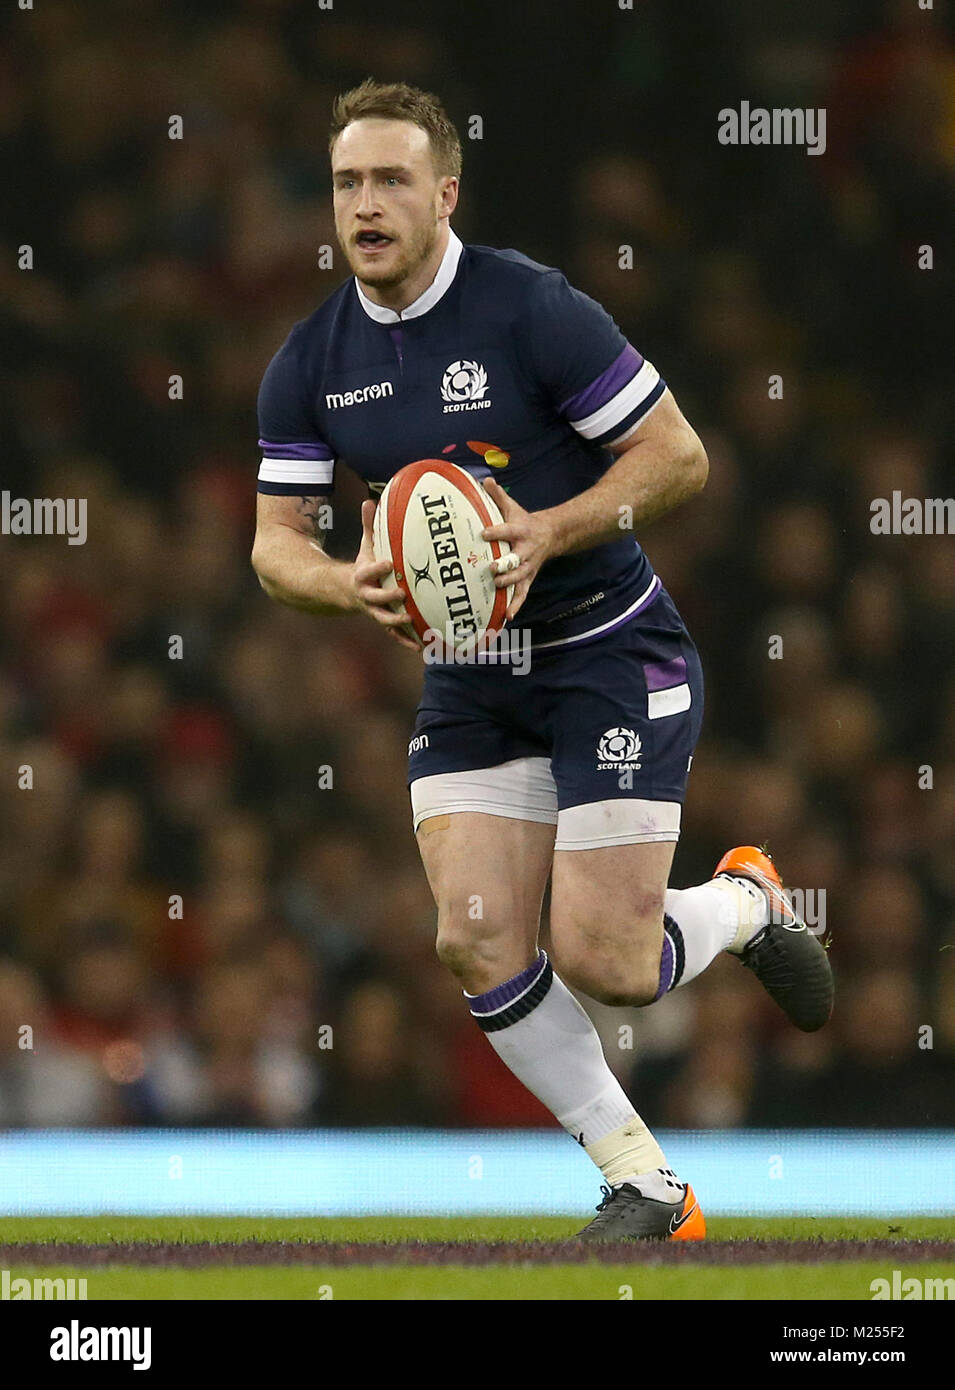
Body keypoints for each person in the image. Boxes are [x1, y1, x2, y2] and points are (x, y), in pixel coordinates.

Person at [251, 79, 833, 1240]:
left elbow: (679, 459)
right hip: (472, 674)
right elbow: (274, 545)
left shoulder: (530, 310)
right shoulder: (310, 360)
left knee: (610, 961)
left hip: (608, 650)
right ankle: (648, 1184)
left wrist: (550, 528)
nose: (365, 205)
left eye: (391, 180)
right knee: (471, 933)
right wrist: (343, 583)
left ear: (444, 193)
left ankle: (743, 902)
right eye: (346, 183)